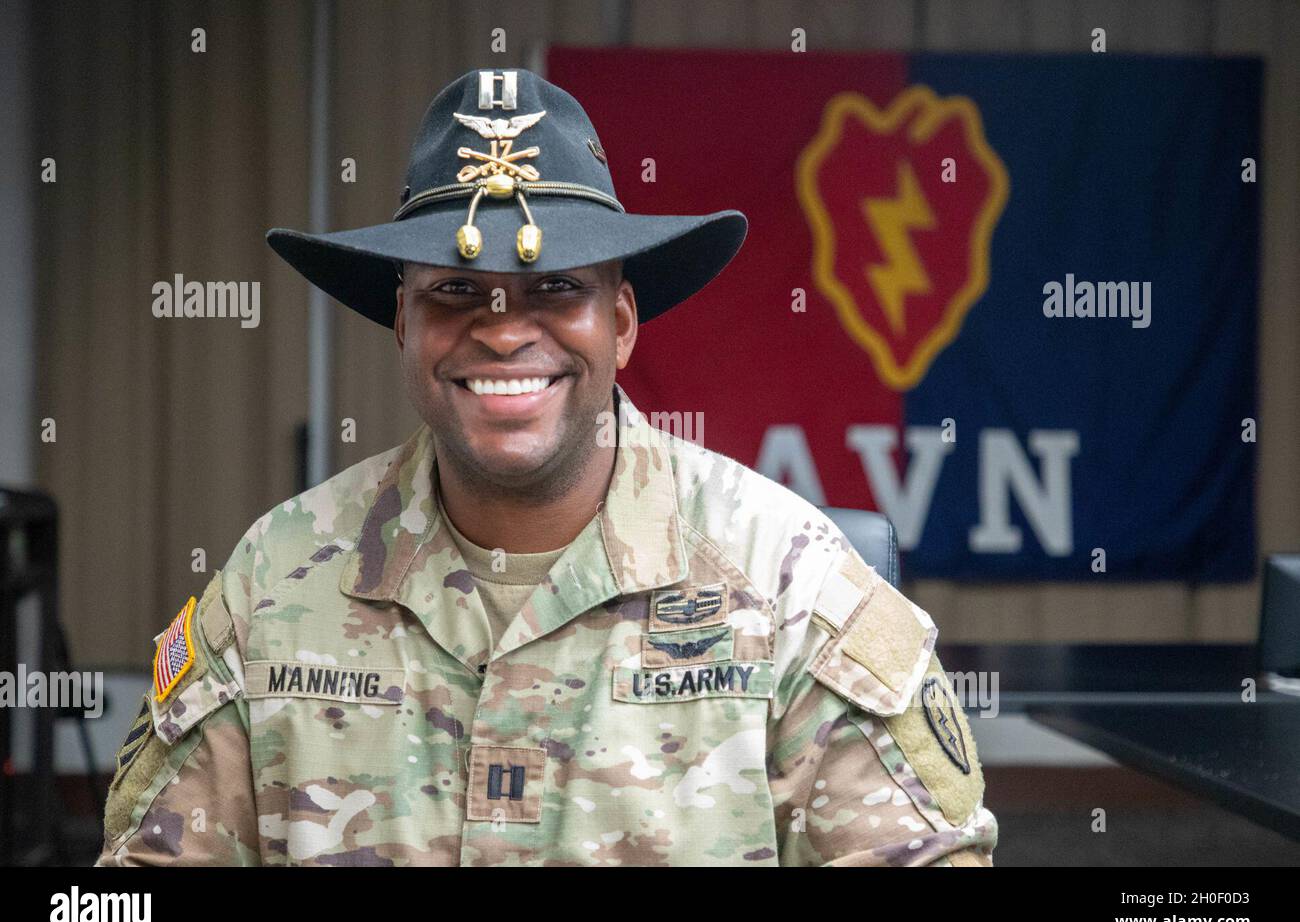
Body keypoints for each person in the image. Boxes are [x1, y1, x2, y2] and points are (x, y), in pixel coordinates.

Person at [99, 67, 997, 866]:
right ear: (402, 324)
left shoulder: (790, 580)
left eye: (556, 286)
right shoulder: (278, 578)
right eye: (455, 291)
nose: (501, 328)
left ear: (623, 323)